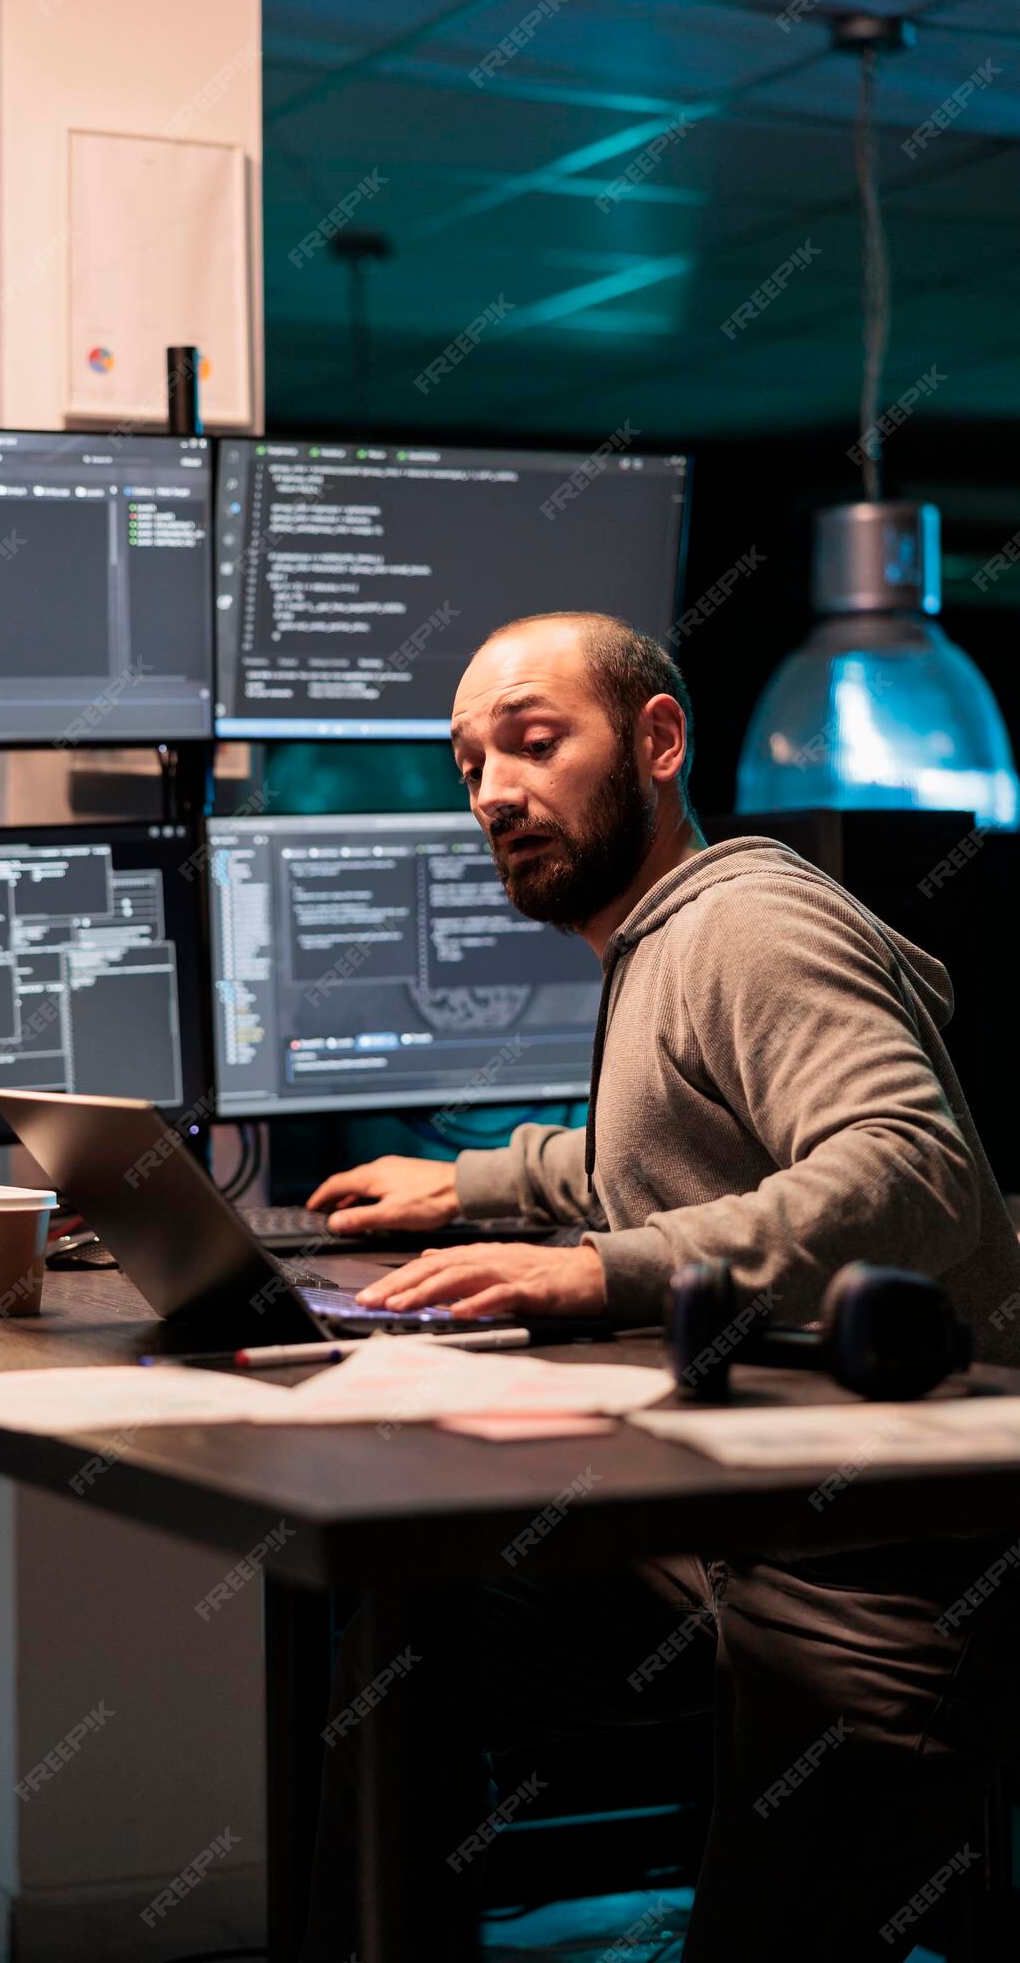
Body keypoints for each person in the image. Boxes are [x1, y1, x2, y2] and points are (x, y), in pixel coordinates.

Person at [297, 612, 1020, 1962]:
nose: (493, 794)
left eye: (530, 742)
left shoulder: (742, 925)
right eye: (468, 769)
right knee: (414, 1640)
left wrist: (595, 1272)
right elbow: (678, 1150)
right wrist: (483, 1183)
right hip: (737, 1524)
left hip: (893, 1555)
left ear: (657, 741)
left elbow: (906, 1167)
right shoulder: (659, 942)